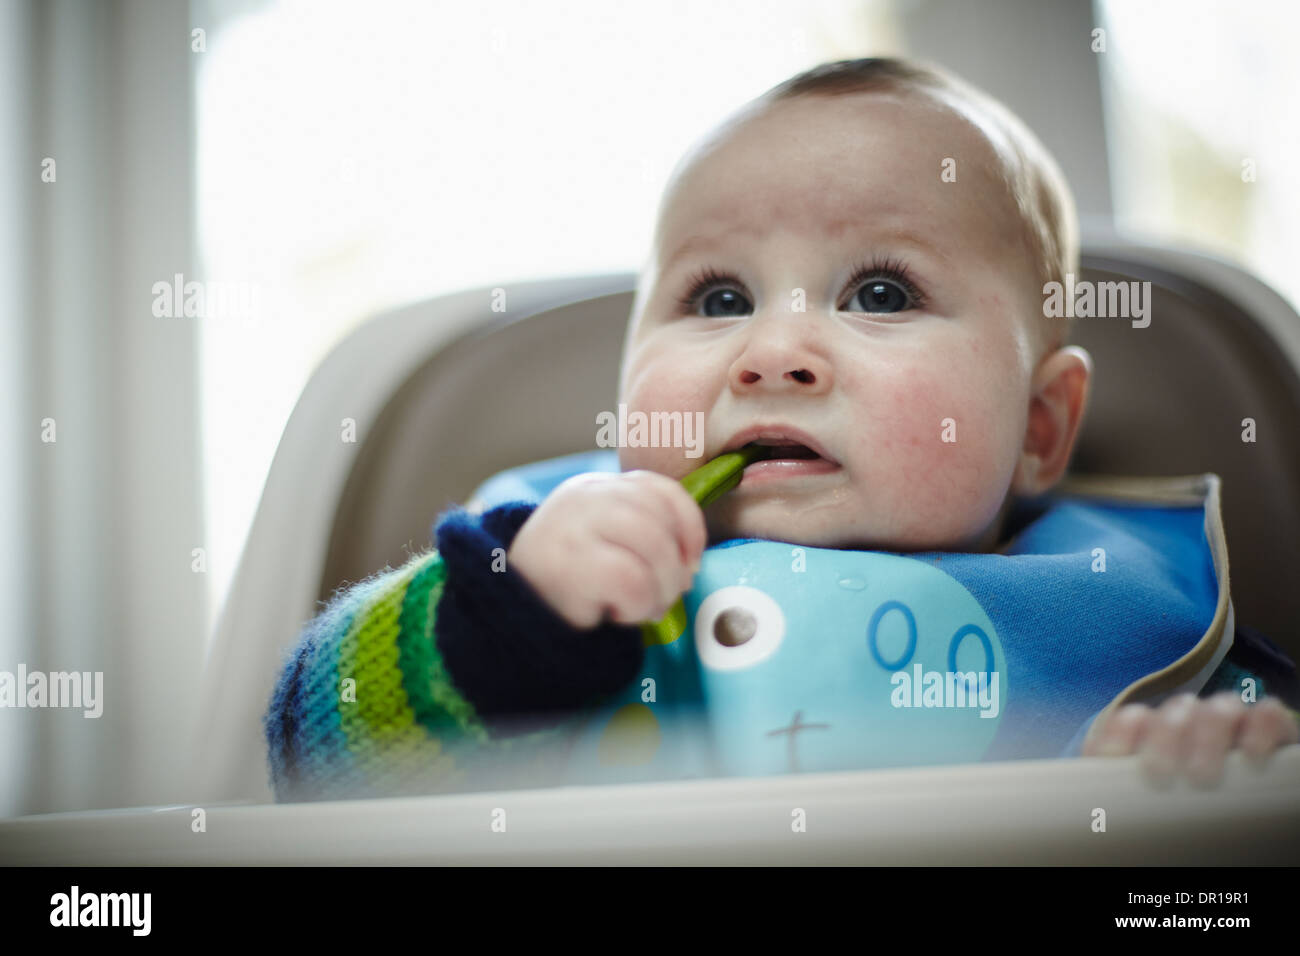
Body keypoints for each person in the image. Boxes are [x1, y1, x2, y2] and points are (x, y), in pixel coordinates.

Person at [264, 57, 1298, 804]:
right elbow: (306, 755)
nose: (772, 351)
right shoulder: (530, 557)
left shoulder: (1119, 610)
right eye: (716, 300)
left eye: (881, 290)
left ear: (1036, 427)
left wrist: (1215, 765)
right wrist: (501, 621)